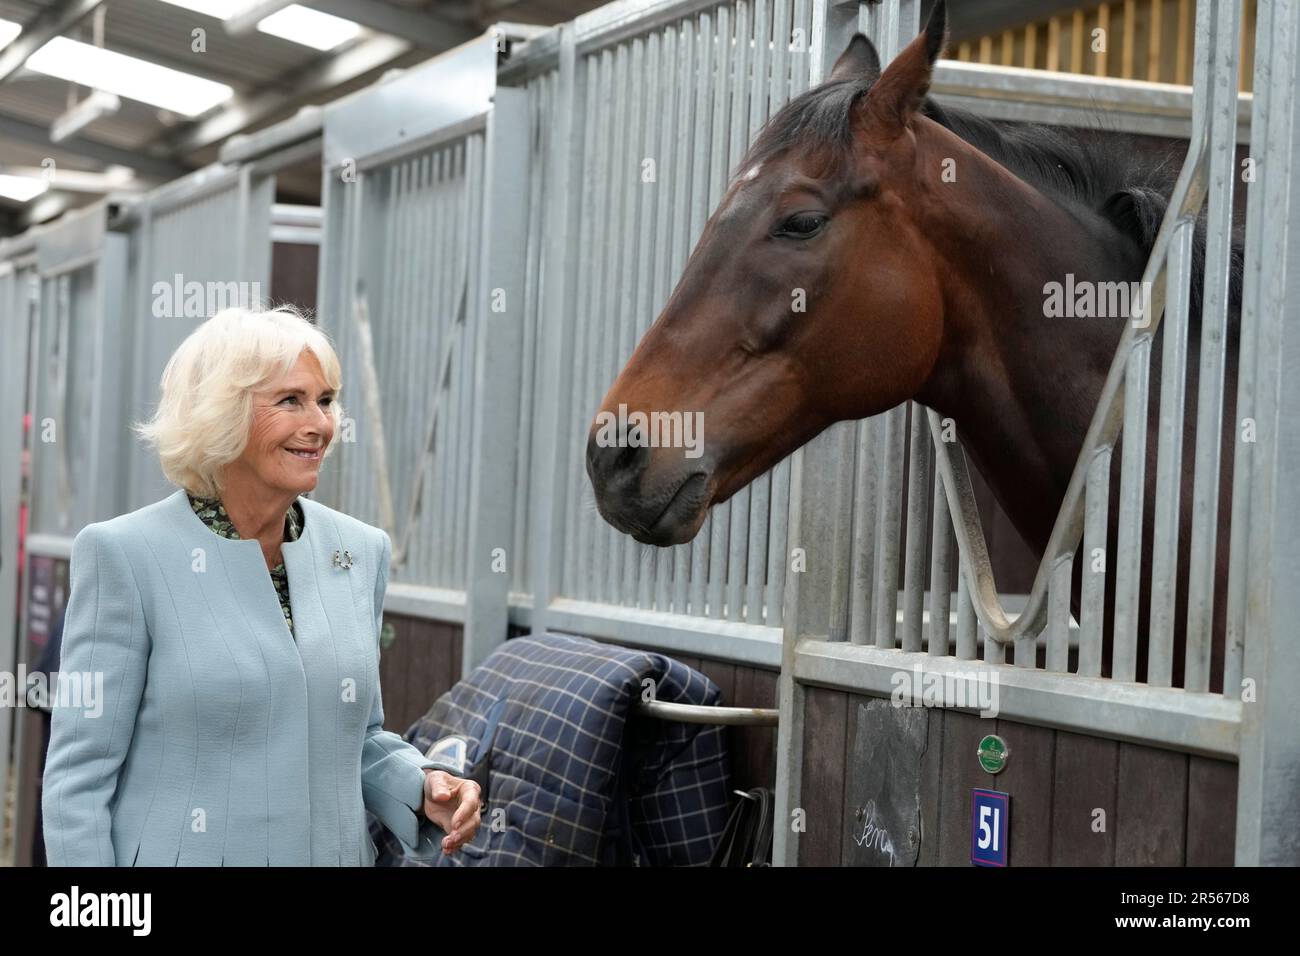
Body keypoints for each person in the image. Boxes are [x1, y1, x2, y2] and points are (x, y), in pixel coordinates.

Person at [42, 304, 481, 866]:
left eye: (324, 400)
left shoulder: (360, 551)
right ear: (220, 415)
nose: (320, 424)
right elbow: (78, 780)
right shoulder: (125, 555)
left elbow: (354, 737)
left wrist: (424, 787)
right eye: (290, 401)